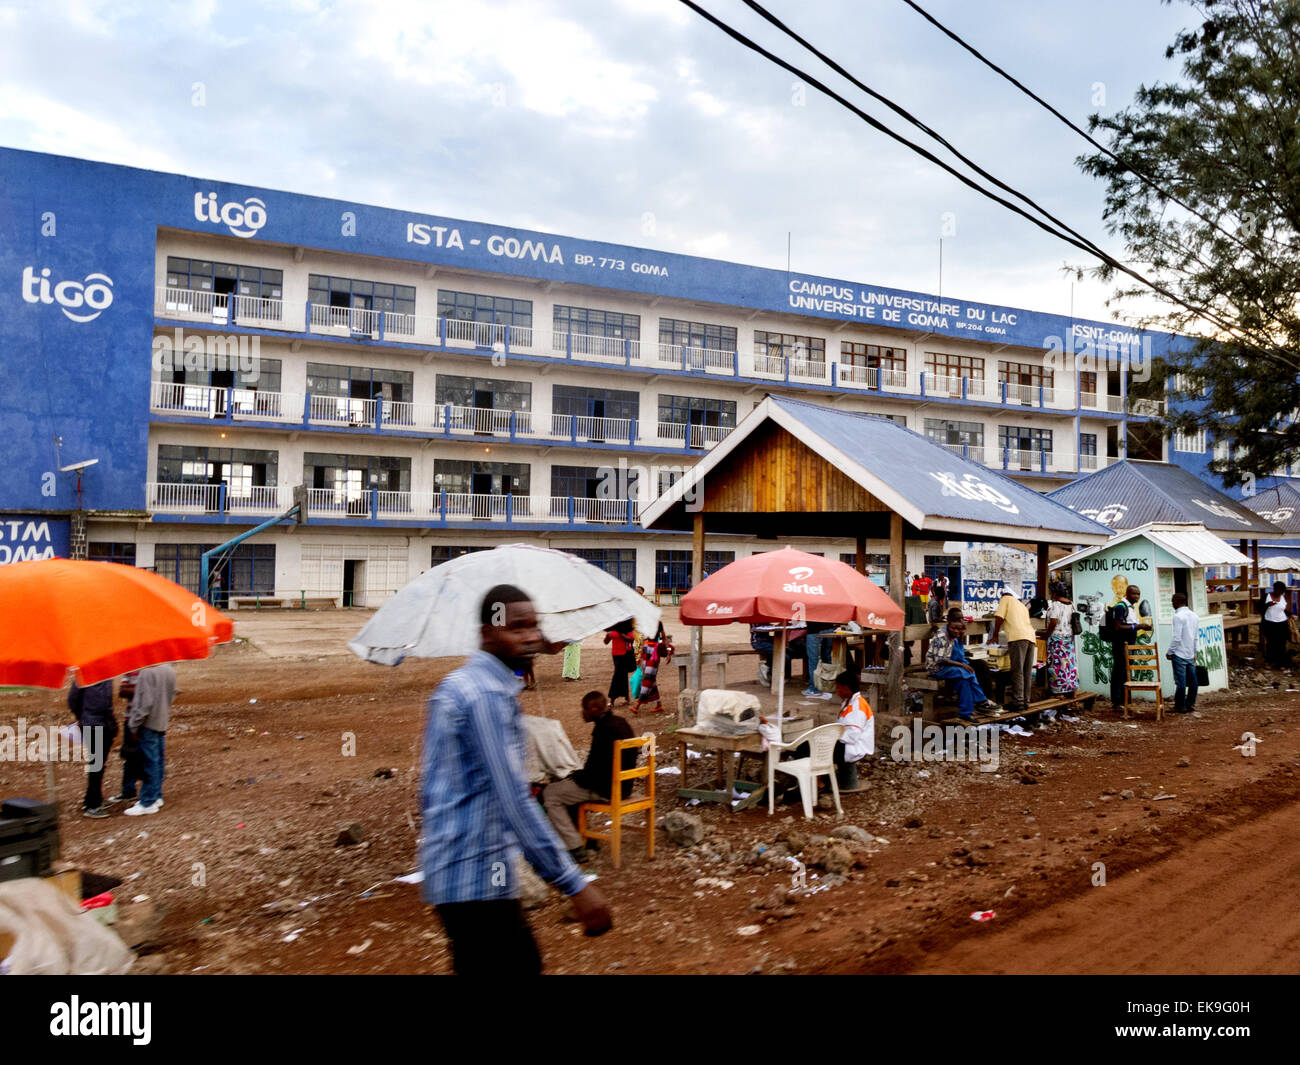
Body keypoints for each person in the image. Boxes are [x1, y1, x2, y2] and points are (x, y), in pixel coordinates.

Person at [420, 584, 611, 975]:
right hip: (476, 877)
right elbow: (514, 800)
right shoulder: (486, 695)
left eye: (534, 627)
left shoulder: (460, 685)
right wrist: (573, 883)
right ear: (488, 632)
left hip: (461, 872)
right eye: (516, 627)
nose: (529, 636)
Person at [541, 691, 636, 861]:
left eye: (584, 709)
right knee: (568, 791)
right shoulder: (620, 722)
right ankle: (589, 840)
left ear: (594, 709)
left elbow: (594, 771)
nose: (582, 713)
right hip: (625, 786)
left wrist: (576, 776)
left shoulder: (603, 730)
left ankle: (575, 847)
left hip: (606, 789)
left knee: (551, 793)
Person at [122, 662, 176, 816]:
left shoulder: (147, 673)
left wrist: (134, 724)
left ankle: (148, 801)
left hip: (148, 724)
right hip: (161, 721)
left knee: (149, 762)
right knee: (157, 760)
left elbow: (144, 704)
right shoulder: (169, 669)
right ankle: (156, 795)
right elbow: (172, 694)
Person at [926, 618, 1000, 721]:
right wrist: (961, 665)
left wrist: (961, 638)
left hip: (947, 667)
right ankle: (981, 700)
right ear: (948, 626)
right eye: (953, 628)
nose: (956, 631)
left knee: (964, 682)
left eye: (959, 629)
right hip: (936, 669)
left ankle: (966, 713)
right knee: (967, 672)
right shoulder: (943, 637)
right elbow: (940, 660)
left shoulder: (953, 636)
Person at [68, 677, 117, 818]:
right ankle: (92, 804)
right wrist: (82, 717)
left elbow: (74, 699)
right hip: (94, 723)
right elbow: (73, 699)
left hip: (102, 722)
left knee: (98, 763)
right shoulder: (85, 675)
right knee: (97, 764)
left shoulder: (106, 677)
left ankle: (93, 799)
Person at [989, 589, 1037, 714]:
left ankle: (1018, 702)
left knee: (1017, 670)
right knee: (1027, 671)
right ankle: (1025, 700)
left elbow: (999, 617)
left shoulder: (1005, 599)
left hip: (1017, 637)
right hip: (1030, 636)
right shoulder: (1021, 605)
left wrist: (994, 635)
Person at [1107, 584, 1147, 707]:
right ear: (1127, 594)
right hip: (1121, 645)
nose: (1137, 596)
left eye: (1138, 594)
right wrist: (1138, 626)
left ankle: (1125, 699)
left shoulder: (1130, 607)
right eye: (1134, 593)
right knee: (1119, 671)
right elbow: (1118, 627)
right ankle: (1117, 701)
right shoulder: (1121, 607)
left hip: (1129, 644)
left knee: (1125, 671)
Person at [110, 670, 145, 807]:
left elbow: (126, 691)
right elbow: (122, 692)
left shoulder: (148, 670)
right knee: (129, 755)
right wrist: (142, 690)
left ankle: (148, 792)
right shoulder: (131, 670)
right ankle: (128, 791)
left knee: (146, 756)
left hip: (143, 719)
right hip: (131, 718)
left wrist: (134, 690)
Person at [1042, 582, 1078, 698]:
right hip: (1069, 639)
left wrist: (1047, 635)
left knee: (1057, 665)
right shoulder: (1071, 604)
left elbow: (1053, 622)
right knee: (1070, 665)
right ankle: (1071, 689)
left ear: (1054, 593)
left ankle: (1059, 691)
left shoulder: (1055, 605)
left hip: (1057, 639)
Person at [1168, 592, 1200, 714]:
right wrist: (1195, 651)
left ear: (1176, 602)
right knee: (1193, 681)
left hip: (1179, 653)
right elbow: (1196, 636)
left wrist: (1170, 651)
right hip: (1190, 653)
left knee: (1180, 682)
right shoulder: (1194, 616)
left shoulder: (1178, 617)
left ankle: (1180, 706)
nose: (1172, 604)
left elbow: (1177, 638)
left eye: (1172, 602)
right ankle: (1190, 704)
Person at [632, 623, 671, 713]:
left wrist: (668, 653)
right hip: (647, 648)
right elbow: (642, 638)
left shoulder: (657, 622)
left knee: (648, 679)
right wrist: (640, 656)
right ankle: (658, 705)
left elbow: (664, 638)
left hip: (654, 649)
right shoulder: (647, 620)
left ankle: (637, 705)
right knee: (651, 680)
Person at [1259, 581, 1293, 669]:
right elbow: (1259, 609)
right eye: (1278, 591)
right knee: (1271, 643)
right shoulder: (1267, 596)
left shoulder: (1282, 597)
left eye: (1282, 591)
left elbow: (1283, 609)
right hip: (1269, 622)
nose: (1280, 593)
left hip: (1282, 623)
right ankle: (1269, 662)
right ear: (1274, 589)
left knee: (1281, 643)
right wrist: (1267, 605)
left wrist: (1289, 614)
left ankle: (1281, 663)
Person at [603, 619, 636, 706]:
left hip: (625, 655)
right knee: (622, 675)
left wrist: (621, 635)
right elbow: (605, 642)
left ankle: (612, 700)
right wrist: (608, 636)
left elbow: (631, 639)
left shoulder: (627, 627)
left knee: (617, 676)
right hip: (616, 655)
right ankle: (626, 697)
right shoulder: (613, 629)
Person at [801, 622, 836, 699]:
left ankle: (814, 689)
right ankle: (828, 687)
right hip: (829, 627)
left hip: (814, 629)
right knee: (826, 658)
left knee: (814, 660)